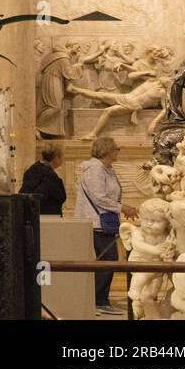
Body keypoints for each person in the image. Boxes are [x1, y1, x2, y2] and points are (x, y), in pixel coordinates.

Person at [74, 135, 137, 315]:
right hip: (95, 222)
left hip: (104, 222)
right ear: (107, 150)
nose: (118, 151)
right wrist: (122, 207)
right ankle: (98, 301)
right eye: (116, 148)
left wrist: (120, 207)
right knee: (107, 261)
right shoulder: (95, 170)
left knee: (107, 261)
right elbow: (99, 197)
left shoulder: (107, 169)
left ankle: (100, 299)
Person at [19, 142, 67, 216]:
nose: (63, 159)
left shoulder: (32, 170)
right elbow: (60, 197)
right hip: (46, 218)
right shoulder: (49, 177)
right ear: (56, 157)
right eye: (63, 156)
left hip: (31, 216)